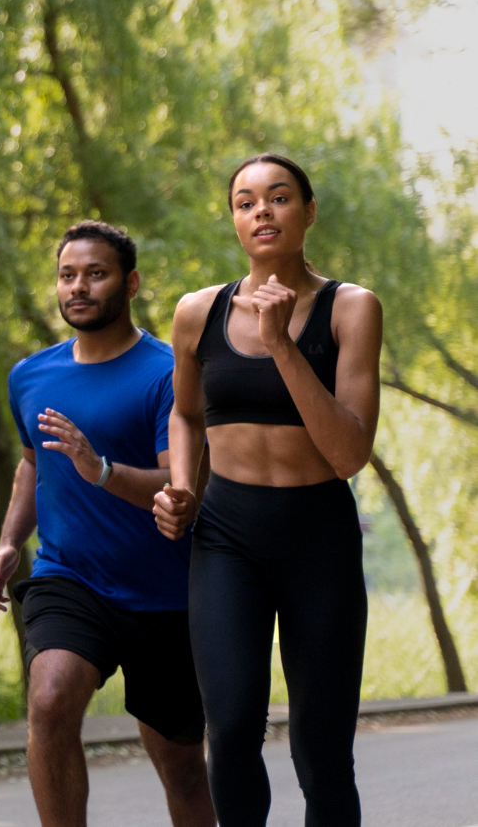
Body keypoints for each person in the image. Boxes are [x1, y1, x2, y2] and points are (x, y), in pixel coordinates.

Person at [154, 154, 382, 826]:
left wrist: (283, 345)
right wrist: (181, 486)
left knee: (322, 751)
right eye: (246, 201)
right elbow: (186, 414)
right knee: (227, 730)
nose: (262, 211)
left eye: (279, 198)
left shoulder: (351, 309)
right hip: (227, 541)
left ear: (308, 213)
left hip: (319, 541)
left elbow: (348, 454)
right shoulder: (198, 312)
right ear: (233, 220)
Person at [0, 221, 215, 827]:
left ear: (130, 282)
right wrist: (10, 543)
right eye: (67, 275)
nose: (78, 287)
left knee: (183, 767)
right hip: (70, 577)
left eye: (95, 274)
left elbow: (179, 484)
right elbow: (32, 464)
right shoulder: (29, 376)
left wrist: (103, 469)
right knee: (51, 697)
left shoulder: (168, 373)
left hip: (164, 594)